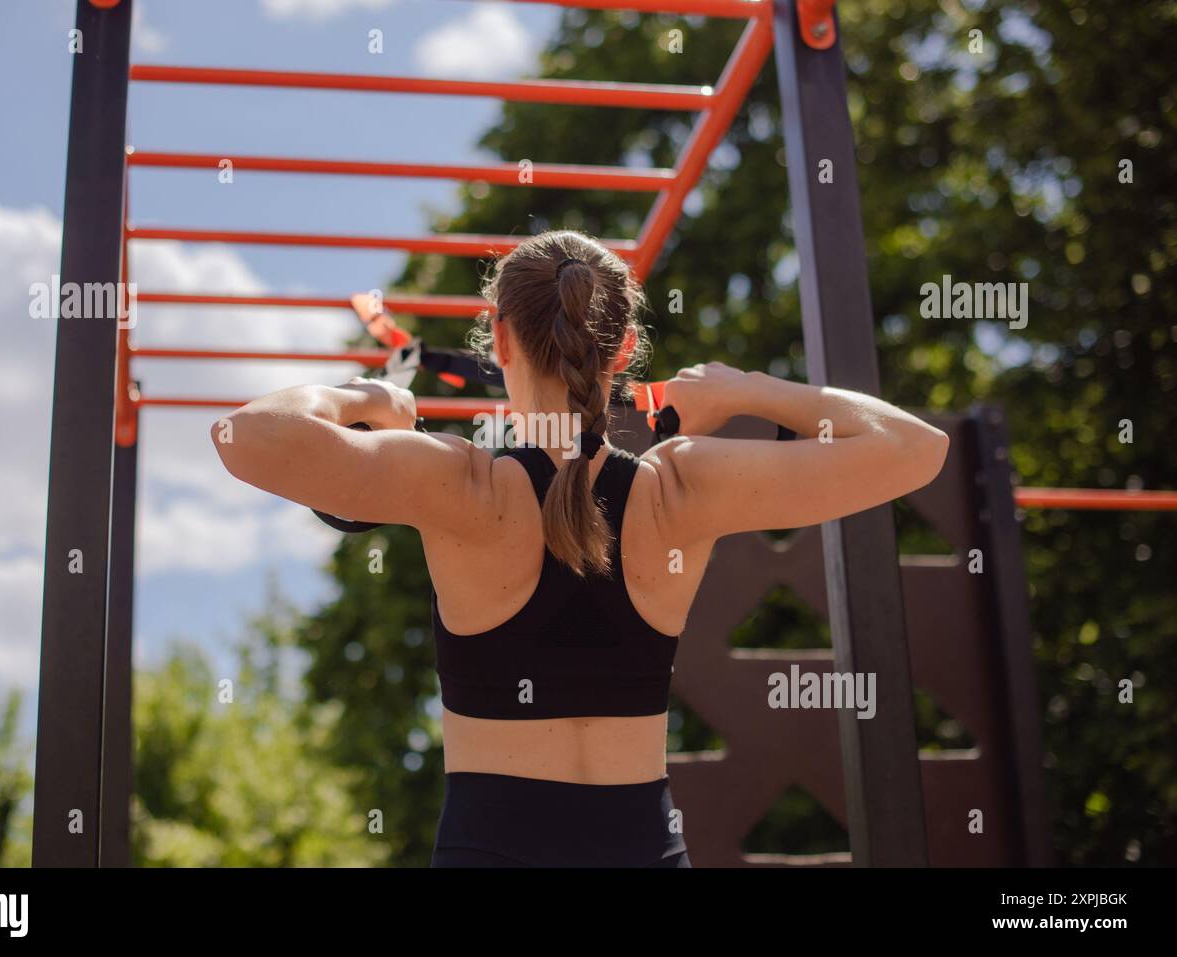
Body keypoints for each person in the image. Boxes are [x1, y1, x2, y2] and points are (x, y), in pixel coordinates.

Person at [211, 229, 949, 867]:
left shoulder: (460, 485)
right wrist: (750, 388)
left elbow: (243, 435)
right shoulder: (680, 487)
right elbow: (915, 449)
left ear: (498, 339)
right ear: (625, 347)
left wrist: (366, 397)